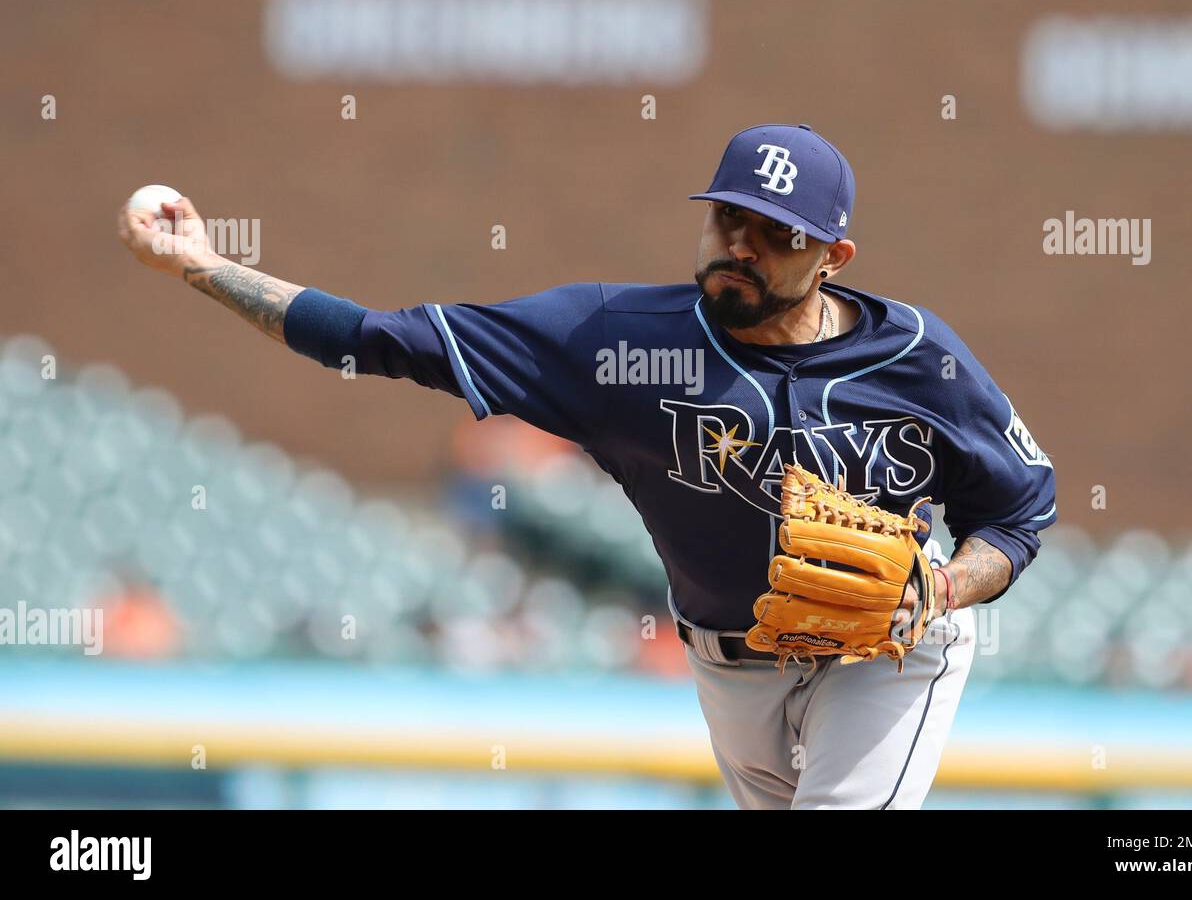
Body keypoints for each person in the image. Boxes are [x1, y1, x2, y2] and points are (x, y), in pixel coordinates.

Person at [117, 123, 1056, 809]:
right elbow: (377, 339)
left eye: (776, 233)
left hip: (881, 656)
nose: (740, 244)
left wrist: (941, 584)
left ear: (834, 256)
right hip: (730, 667)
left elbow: (1020, 513)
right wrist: (202, 264)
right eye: (729, 217)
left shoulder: (921, 361)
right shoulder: (616, 340)